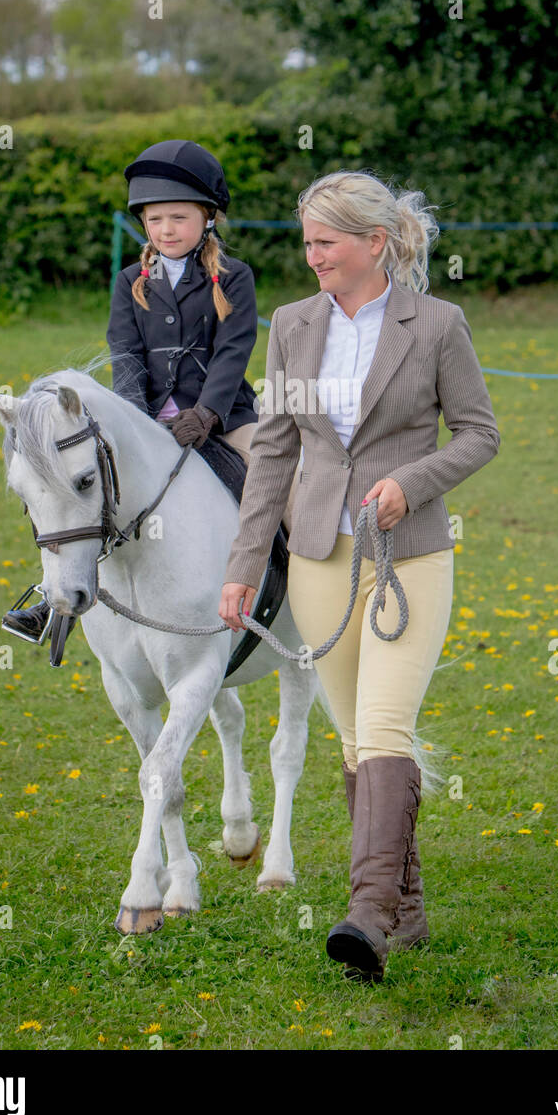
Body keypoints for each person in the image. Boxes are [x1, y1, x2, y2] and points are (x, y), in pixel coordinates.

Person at [218, 170, 501, 983]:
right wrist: (244, 565)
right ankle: (406, 911)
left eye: (326, 242)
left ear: (374, 243)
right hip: (316, 559)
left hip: (407, 554)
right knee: (353, 740)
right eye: (306, 241)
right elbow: (273, 449)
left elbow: (479, 433)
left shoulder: (438, 325)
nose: (311, 257)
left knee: (382, 729)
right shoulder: (292, 325)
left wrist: (411, 481)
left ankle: (368, 915)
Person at [1, 138, 299, 650]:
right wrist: (134, 423)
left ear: (208, 218)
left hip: (227, 419)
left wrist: (206, 413)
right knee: (81, 497)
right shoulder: (128, 282)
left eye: (179, 218)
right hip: (146, 425)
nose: (166, 229)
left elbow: (233, 352)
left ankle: (303, 587)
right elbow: (126, 355)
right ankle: (54, 607)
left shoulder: (234, 278)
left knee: (281, 485)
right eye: (155, 219)